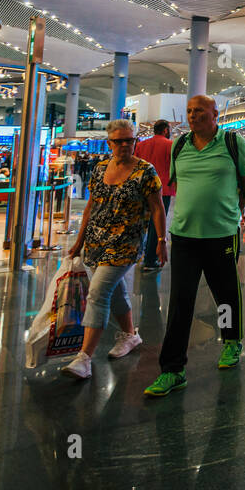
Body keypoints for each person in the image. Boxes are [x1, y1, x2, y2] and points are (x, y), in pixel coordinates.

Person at [144, 95, 245, 398]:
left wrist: (231, 213)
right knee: (180, 301)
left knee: (225, 293)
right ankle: (172, 370)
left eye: (200, 111)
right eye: (190, 112)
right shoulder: (179, 146)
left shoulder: (233, 143)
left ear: (215, 114)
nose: (193, 116)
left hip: (221, 234)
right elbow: (178, 186)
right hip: (184, 236)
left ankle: (231, 341)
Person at [62, 119, 167, 380]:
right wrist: (79, 241)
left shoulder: (145, 171)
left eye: (129, 140)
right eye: (118, 141)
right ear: (109, 143)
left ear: (135, 141)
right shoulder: (99, 169)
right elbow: (91, 206)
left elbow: (157, 207)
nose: (124, 145)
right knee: (115, 290)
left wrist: (162, 240)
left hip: (125, 243)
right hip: (96, 242)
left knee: (97, 293)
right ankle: (130, 336)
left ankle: (84, 358)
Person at [134, 119, 175, 273]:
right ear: (165, 130)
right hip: (163, 189)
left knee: (143, 223)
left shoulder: (140, 145)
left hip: (142, 189)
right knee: (157, 225)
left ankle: (141, 254)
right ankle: (150, 259)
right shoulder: (170, 145)